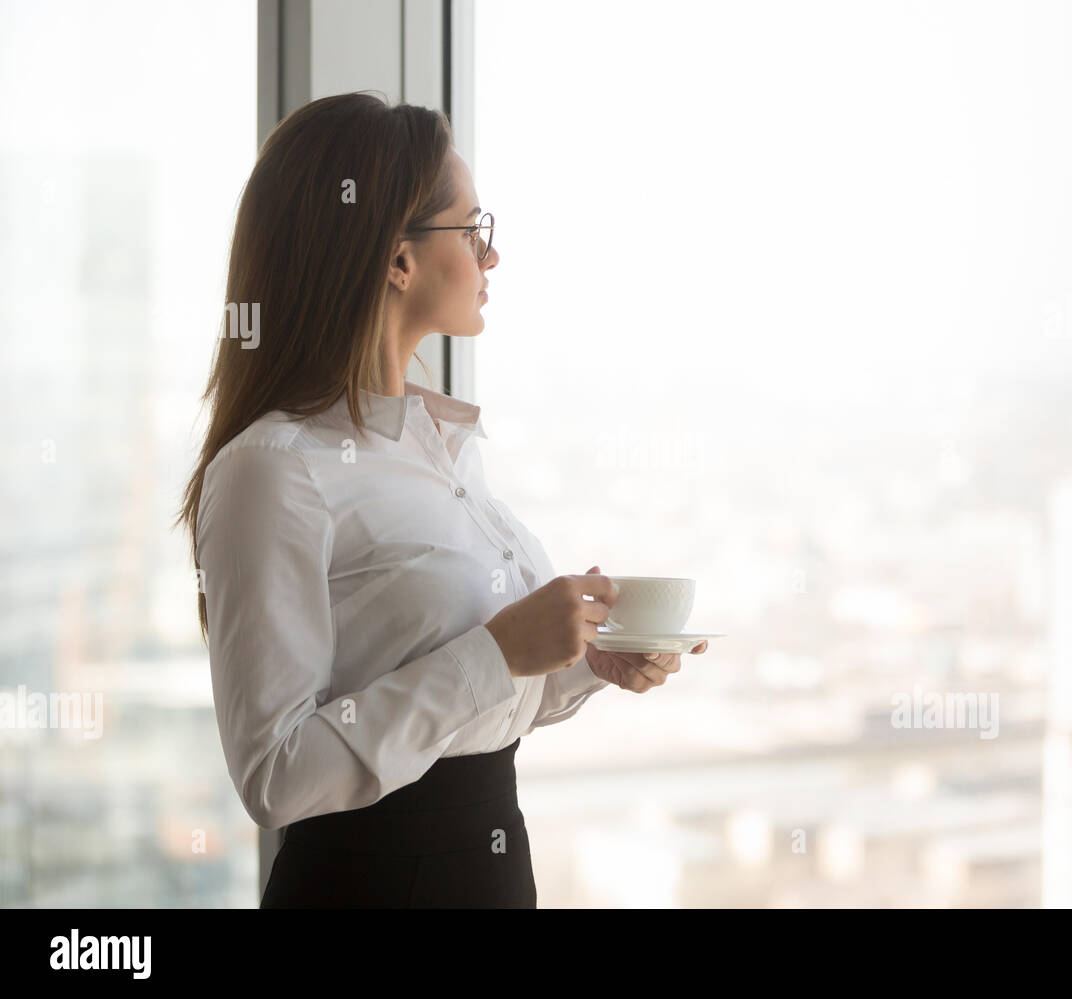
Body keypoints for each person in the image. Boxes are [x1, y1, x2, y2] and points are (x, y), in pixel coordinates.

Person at [175, 92, 708, 908]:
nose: (491, 257)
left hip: (490, 869)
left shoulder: (441, 446)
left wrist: (581, 661)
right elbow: (274, 775)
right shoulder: (272, 469)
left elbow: (471, 706)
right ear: (398, 259)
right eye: (472, 230)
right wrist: (498, 651)